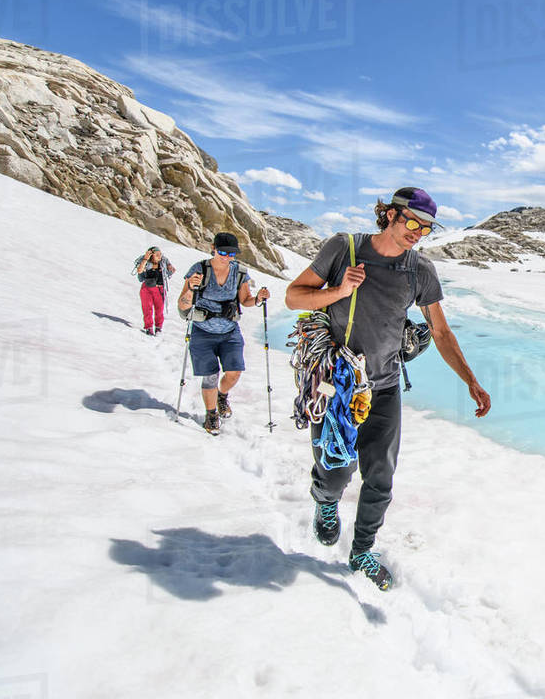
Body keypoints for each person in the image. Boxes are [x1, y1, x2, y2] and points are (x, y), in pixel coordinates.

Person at [285, 187, 491, 590]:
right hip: (336, 385)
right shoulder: (343, 249)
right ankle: (325, 502)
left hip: (384, 387)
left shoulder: (420, 270)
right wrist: (339, 292)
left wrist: (471, 380)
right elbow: (294, 296)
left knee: (380, 477)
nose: (418, 232)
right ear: (391, 215)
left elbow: (441, 330)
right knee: (335, 471)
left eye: (427, 227)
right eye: (412, 221)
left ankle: (362, 550)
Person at [177, 232, 270, 434]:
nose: (227, 257)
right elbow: (182, 305)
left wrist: (258, 299)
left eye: (231, 254)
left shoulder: (239, 273)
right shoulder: (199, 270)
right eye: (222, 252)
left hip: (230, 331)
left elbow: (245, 300)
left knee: (234, 372)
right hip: (203, 331)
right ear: (213, 248)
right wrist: (191, 290)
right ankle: (211, 415)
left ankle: (222, 395)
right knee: (210, 376)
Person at [135, 246, 175, 335]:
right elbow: (139, 270)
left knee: (159, 310)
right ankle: (149, 328)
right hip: (147, 288)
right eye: (157, 254)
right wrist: (145, 258)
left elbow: (171, 271)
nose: (159, 256)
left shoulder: (164, 262)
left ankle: (158, 328)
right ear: (151, 255)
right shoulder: (146, 262)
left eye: (160, 254)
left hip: (160, 288)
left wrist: (171, 269)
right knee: (147, 309)